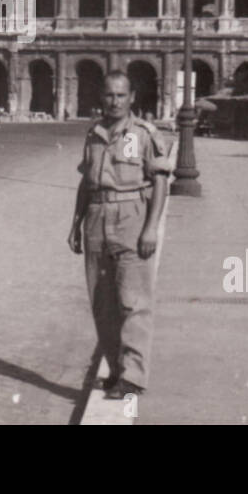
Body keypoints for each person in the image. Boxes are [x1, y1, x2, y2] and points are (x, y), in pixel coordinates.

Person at [67, 71, 172, 400]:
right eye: (109, 95)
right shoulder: (93, 133)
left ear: (132, 98)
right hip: (96, 218)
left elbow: (160, 182)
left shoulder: (144, 134)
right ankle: (115, 370)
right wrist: (75, 223)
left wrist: (151, 227)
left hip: (131, 218)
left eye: (121, 95)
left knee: (133, 302)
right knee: (102, 302)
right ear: (102, 97)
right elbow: (86, 182)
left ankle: (133, 377)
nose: (114, 101)